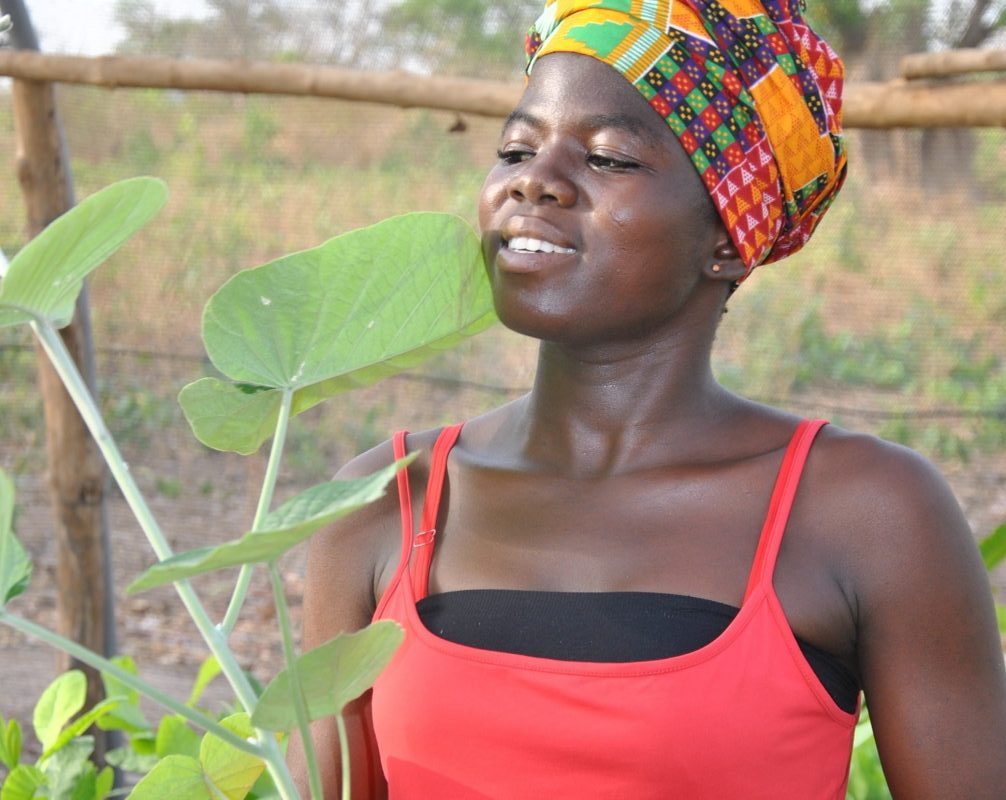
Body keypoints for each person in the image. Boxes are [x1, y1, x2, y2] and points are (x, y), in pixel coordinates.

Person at [291, 1, 1006, 797]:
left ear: (730, 239)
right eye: (517, 149)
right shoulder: (382, 501)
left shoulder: (866, 514)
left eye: (610, 160)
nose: (534, 180)